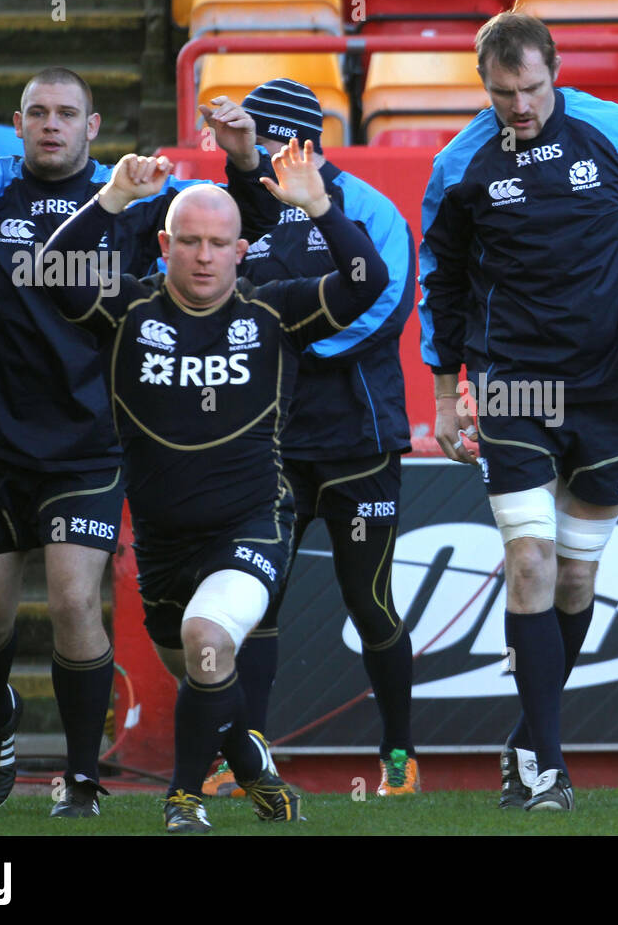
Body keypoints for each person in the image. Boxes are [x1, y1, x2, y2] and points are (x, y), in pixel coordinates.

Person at [0, 66, 279, 818]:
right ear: (16, 127)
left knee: (73, 601)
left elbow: (248, 227)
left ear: (92, 128)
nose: (51, 124)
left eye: (67, 113)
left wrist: (244, 158)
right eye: (37, 113)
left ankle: (82, 781)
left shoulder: (137, 197)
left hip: (90, 443)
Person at [43, 142, 388, 831]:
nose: (204, 256)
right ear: (165, 244)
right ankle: (253, 767)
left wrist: (318, 205)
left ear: (242, 249)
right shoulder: (129, 312)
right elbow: (52, 269)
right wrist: (111, 199)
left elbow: (366, 281)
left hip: (253, 524)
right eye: (191, 242)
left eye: (219, 243)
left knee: (207, 638)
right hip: (165, 543)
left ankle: (184, 797)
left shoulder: (275, 312)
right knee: (204, 667)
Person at [418, 11, 618, 811]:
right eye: (504, 94)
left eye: (531, 89)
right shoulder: (460, 164)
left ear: (555, 72)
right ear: (484, 87)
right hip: (513, 386)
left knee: (575, 578)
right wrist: (443, 392)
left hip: (609, 386)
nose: (521, 107)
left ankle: (528, 740)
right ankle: (549, 769)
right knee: (529, 561)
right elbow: (444, 282)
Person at [197, 79, 419, 800]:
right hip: (272, 447)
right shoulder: (248, 212)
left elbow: (382, 310)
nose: (251, 153)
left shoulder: (370, 208)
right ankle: (244, 755)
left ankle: (399, 756)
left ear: (292, 141)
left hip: (360, 440)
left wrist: (286, 343)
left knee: (370, 600)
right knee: (256, 598)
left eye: (259, 139)